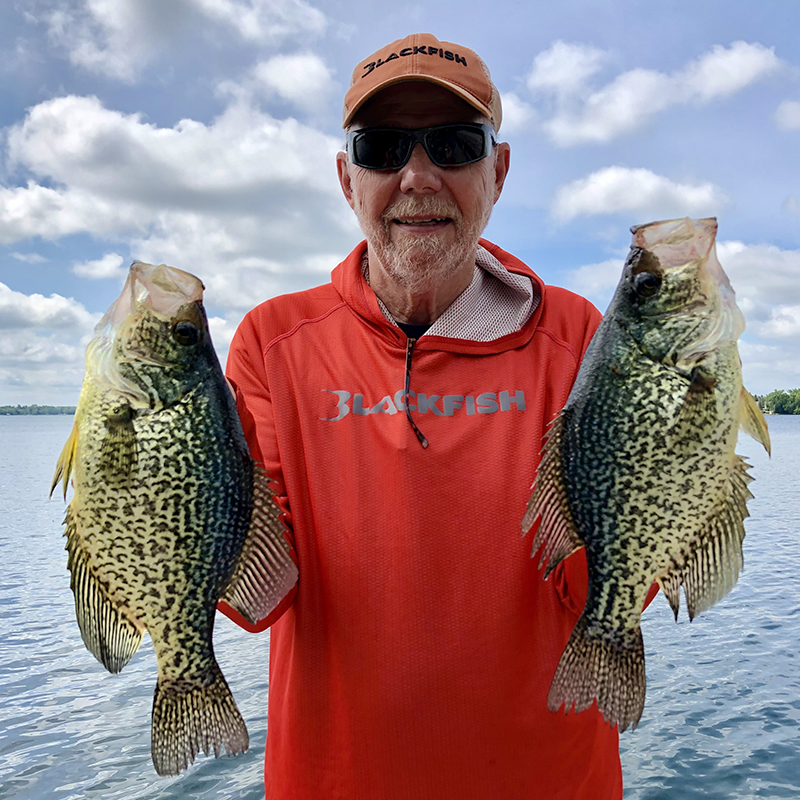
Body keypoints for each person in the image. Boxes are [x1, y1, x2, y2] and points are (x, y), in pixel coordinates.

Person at [220, 32, 621, 799]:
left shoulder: (579, 339)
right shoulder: (272, 343)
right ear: (347, 179)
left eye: (454, 144)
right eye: (382, 148)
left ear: (498, 171)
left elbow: (615, 579)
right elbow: (254, 597)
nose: (417, 176)